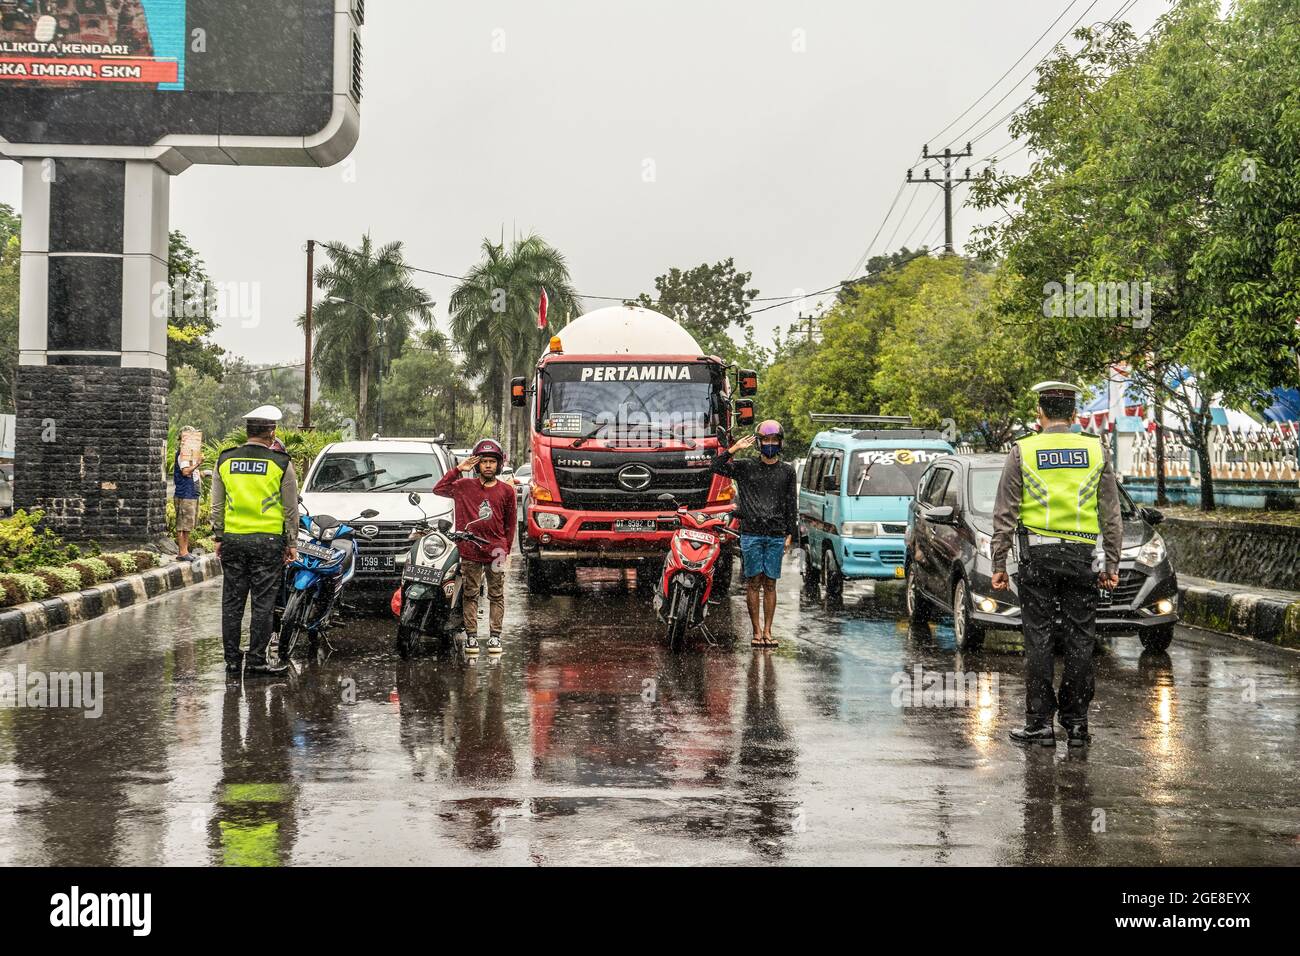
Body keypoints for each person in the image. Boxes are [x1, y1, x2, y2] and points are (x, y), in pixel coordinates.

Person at [990, 382, 1123, 747]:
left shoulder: (1023, 451)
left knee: (1040, 639)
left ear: (1040, 413)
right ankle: (1077, 724)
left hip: (1038, 558)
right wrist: (1111, 564)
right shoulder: (1096, 450)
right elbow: (1111, 515)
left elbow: (1005, 513)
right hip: (1082, 559)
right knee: (1082, 640)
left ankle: (1039, 724)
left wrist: (998, 562)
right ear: (1075, 415)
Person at [211, 405, 299, 677]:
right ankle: (258, 661)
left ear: (247, 431)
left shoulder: (225, 460)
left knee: (233, 602)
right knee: (263, 603)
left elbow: (216, 505)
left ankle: (232, 661)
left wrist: (218, 535)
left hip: (234, 541)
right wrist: (292, 542)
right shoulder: (281, 463)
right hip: (268, 542)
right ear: (271, 433)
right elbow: (290, 509)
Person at [712, 420, 799, 648]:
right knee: (753, 582)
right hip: (751, 533)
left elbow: (792, 503)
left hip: (775, 534)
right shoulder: (745, 466)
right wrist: (734, 449)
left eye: (774, 440)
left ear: (780, 443)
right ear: (758, 442)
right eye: (765, 440)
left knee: (770, 584)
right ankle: (756, 631)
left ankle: (769, 631)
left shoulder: (788, 471)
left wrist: (791, 533)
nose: (770, 444)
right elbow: (715, 466)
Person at [432, 438, 516, 656]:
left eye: (492, 461)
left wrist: (505, 550)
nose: (488, 465)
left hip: (496, 552)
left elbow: (510, 524)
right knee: (470, 594)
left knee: (496, 595)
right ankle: (471, 637)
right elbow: (439, 488)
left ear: (499, 465)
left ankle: (495, 636)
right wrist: (459, 469)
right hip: (469, 551)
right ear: (477, 464)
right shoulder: (463, 487)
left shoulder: (507, 491)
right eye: (484, 461)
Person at [173, 426, 203, 562]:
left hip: (191, 492)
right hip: (185, 493)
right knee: (183, 524)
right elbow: (185, 472)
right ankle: (182, 552)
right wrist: (198, 464)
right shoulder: (183, 454)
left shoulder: (190, 454)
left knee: (188, 524)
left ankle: (185, 551)